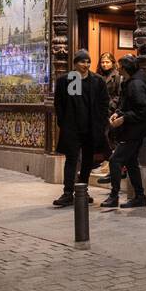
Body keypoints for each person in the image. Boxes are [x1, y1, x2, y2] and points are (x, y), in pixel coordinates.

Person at [52, 49, 110, 207]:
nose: (86, 64)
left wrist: (100, 122)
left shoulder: (97, 81)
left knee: (87, 161)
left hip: (91, 127)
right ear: (75, 63)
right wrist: (64, 122)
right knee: (71, 159)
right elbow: (61, 104)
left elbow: (104, 103)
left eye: (88, 61)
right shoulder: (70, 79)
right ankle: (68, 192)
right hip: (73, 128)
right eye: (82, 61)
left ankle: (82, 191)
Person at [103, 54, 146, 209]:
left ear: (125, 68)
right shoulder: (130, 81)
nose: (117, 68)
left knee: (115, 160)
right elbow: (127, 104)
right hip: (134, 130)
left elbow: (143, 110)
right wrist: (118, 112)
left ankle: (114, 196)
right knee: (131, 163)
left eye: (119, 66)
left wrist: (124, 118)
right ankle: (139, 196)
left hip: (134, 131)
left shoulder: (135, 84)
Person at [95, 53, 122, 187]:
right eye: (102, 62)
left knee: (111, 137)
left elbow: (118, 94)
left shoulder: (116, 76)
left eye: (107, 62)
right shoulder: (98, 76)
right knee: (104, 137)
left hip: (111, 111)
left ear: (112, 62)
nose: (104, 64)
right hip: (100, 112)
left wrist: (111, 106)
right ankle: (108, 163)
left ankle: (115, 166)